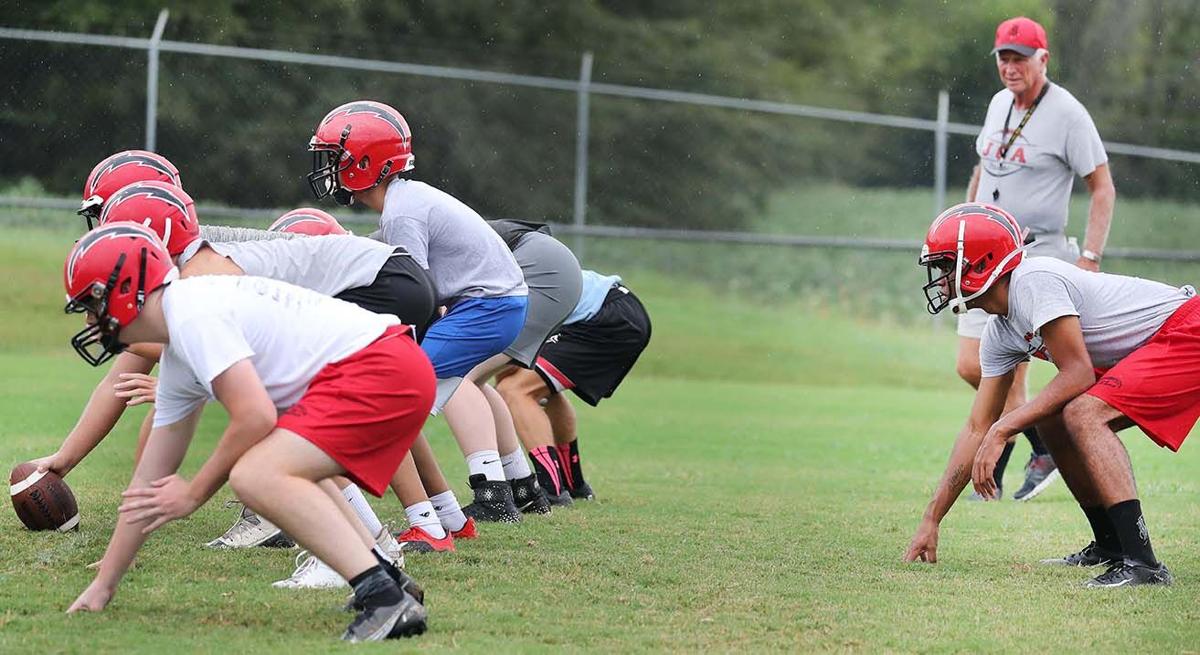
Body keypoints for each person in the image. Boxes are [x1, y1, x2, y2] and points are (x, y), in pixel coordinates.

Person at [62, 223, 434, 641]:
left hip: (382, 365)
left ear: (127, 290)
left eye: (92, 304)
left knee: (255, 474)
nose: (92, 320)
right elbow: (148, 479)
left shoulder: (191, 314)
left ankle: (382, 596)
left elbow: (255, 416)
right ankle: (385, 577)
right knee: (282, 467)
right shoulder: (182, 338)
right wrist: (104, 585)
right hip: (387, 361)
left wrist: (193, 493)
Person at [903, 203, 1190, 588]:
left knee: (1084, 415)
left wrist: (1003, 430)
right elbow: (976, 427)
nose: (940, 280)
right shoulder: (1000, 331)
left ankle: (1143, 564)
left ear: (980, 263)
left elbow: (1078, 373)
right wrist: (931, 519)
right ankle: (1111, 546)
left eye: (945, 267)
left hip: (1184, 329)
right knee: (1055, 418)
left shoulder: (1033, 280)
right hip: (1148, 346)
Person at [308, 100, 529, 524]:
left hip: (487, 308)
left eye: (335, 157)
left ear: (364, 162)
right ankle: (445, 518)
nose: (328, 166)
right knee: (392, 400)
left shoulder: (403, 210)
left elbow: (416, 294)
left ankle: (341, 509)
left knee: (382, 399)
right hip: (489, 306)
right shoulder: (404, 202)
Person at [956, 15, 1116, 501]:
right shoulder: (999, 103)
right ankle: (1039, 441)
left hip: (1033, 255)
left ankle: (1013, 443)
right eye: (1003, 57)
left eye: (1020, 58)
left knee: (1008, 367)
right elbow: (986, 168)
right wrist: (963, 223)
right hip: (985, 254)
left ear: (1042, 59)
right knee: (971, 365)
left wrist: (1089, 256)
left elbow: (1102, 187)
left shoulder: (1067, 113)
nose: (1010, 67)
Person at [495, 269, 651, 502]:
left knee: (515, 390)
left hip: (605, 316)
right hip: (619, 306)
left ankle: (551, 488)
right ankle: (573, 485)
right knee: (528, 384)